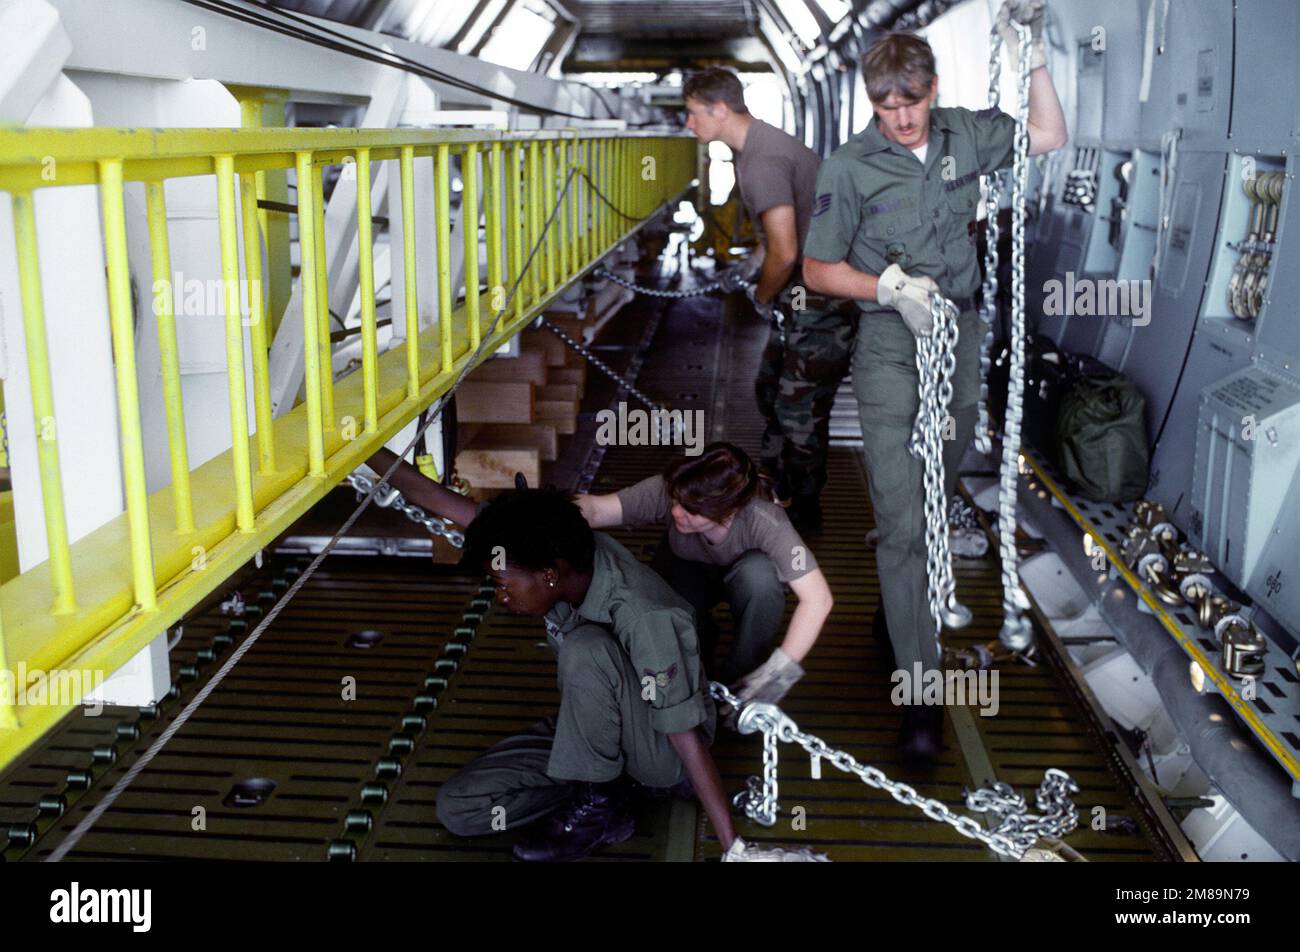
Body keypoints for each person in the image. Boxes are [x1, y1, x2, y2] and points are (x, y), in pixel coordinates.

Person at [801, 3, 1068, 765]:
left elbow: (1049, 137)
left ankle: (899, 616)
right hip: (890, 346)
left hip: (961, 332)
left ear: (931, 88)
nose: (900, 120)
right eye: (885, 107)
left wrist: (1036, 55)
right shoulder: (849, 166)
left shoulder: (964, 133)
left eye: (910, 103)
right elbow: (818, 270)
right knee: (904, 520)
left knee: (937, 493)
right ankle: (919, 697)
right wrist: (884, 288)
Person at [363, 447, 824, 862]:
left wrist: (733, 848)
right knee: (460, 809)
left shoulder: (645, 617)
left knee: (589, 649)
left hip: (660, 751)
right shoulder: (550, 547)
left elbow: (684, 734)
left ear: (547, 575)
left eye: (502, 585)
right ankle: (604, 786)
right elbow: (456, 506)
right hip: (600, 722)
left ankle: (601, 805)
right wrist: (361, 450)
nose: (499, 597)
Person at [683, 67, 856, 533]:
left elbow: (786, 250)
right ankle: (776, 485)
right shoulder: (762, 146)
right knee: (770, 391)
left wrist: (760, 295)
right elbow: (776, 236)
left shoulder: (761, 160)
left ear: (720, 110)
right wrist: (751, 266)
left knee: (800, 411)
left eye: (693, 113)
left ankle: (803, 510)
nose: (689, 123)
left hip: (821, 299)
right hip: (806, 292)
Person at [574, 441, 832, 708]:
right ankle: (697, 648)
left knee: (761, 579)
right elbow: (597, 510)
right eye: (675, 499)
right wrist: (544, 506)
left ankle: (743, 677)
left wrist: (776, 676)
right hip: (688, 571)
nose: (676, 511)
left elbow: (818, 599)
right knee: (673, 618)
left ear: (729, 511)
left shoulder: (767, 520)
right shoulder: (677, 487)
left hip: (744, 579)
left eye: (691, 510)